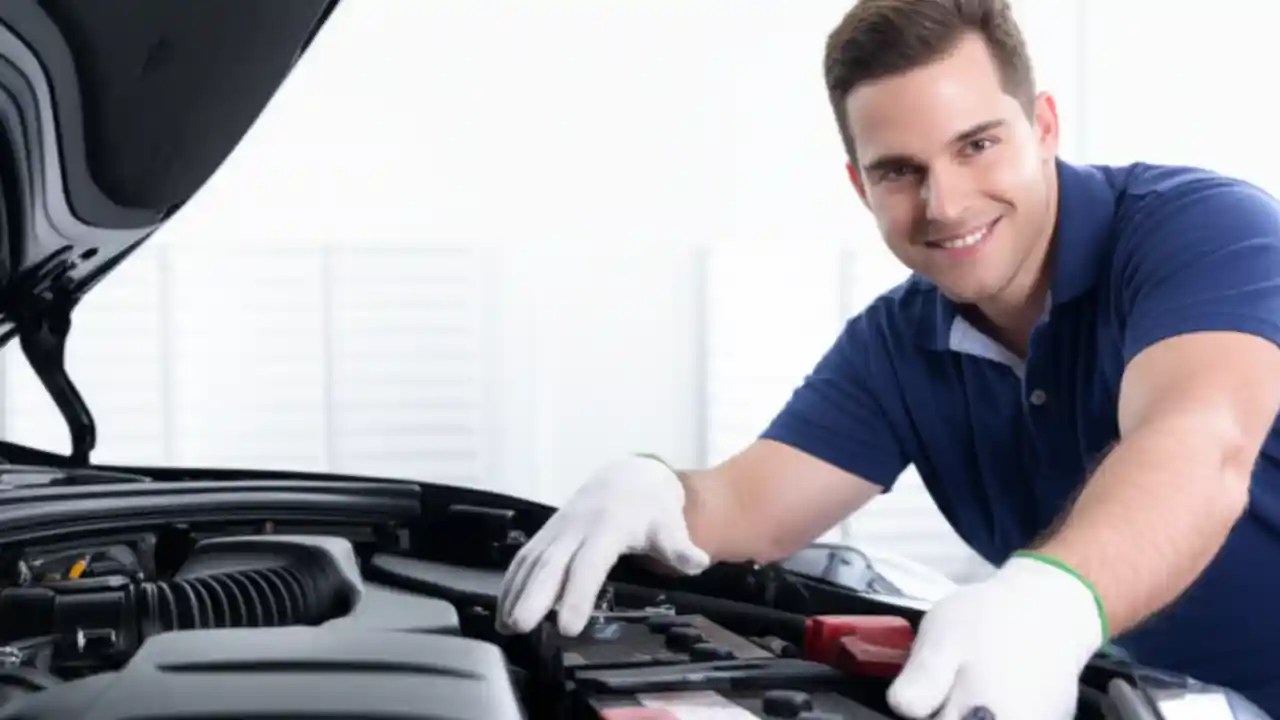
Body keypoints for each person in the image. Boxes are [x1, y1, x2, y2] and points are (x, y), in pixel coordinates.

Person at [495, 0, 1280, 717]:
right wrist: (656, 490)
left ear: (1043, 126)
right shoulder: (898, 344)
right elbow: (746, 506)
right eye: (899, 171)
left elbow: (1200, 445)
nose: (946, 204)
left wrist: (1052, 600)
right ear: (859, 185)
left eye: (977, 145)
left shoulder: (1204, 233)